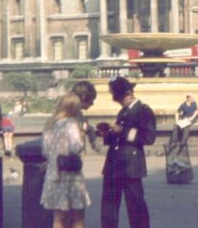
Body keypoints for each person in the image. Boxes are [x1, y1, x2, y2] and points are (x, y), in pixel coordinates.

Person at [98, 77, 156, 228]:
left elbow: (148, 137)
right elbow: (118, 136)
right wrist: (107, 133)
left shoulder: (143, 111)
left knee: (135, 204)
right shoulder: (123, 111)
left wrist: (123, 131)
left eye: (120, 97)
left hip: (131, 164)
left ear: (129, 93)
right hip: (114, 163)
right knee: (109, 205)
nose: (118, 100)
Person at [41, 93, 91, 228]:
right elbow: (76, 148)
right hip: (70, 176)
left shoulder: (50, 124)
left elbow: (45, 151)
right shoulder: (71, 124)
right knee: (78, 217)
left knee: (58, 218)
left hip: (53, 175)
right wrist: (82, 135)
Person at [71, 81, 100, 153]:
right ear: (84, 97)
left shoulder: (75, 113)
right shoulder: (73, 115)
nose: (93, 104)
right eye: (92, 100)